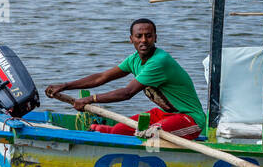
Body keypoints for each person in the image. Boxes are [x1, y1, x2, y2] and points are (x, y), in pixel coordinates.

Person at [44, 18, 206, 140]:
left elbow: (127, 93)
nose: (143, 40)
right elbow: (101, 77)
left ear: (155, 38)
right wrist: (64, 86)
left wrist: (90, 99)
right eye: (139, 36)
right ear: (131, 39)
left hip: (189, 119)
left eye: (148, 36)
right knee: (119, 131)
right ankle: (100, 130)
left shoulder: (159, 61)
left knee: (147, 135)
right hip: (164, 114)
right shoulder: (134, 60)